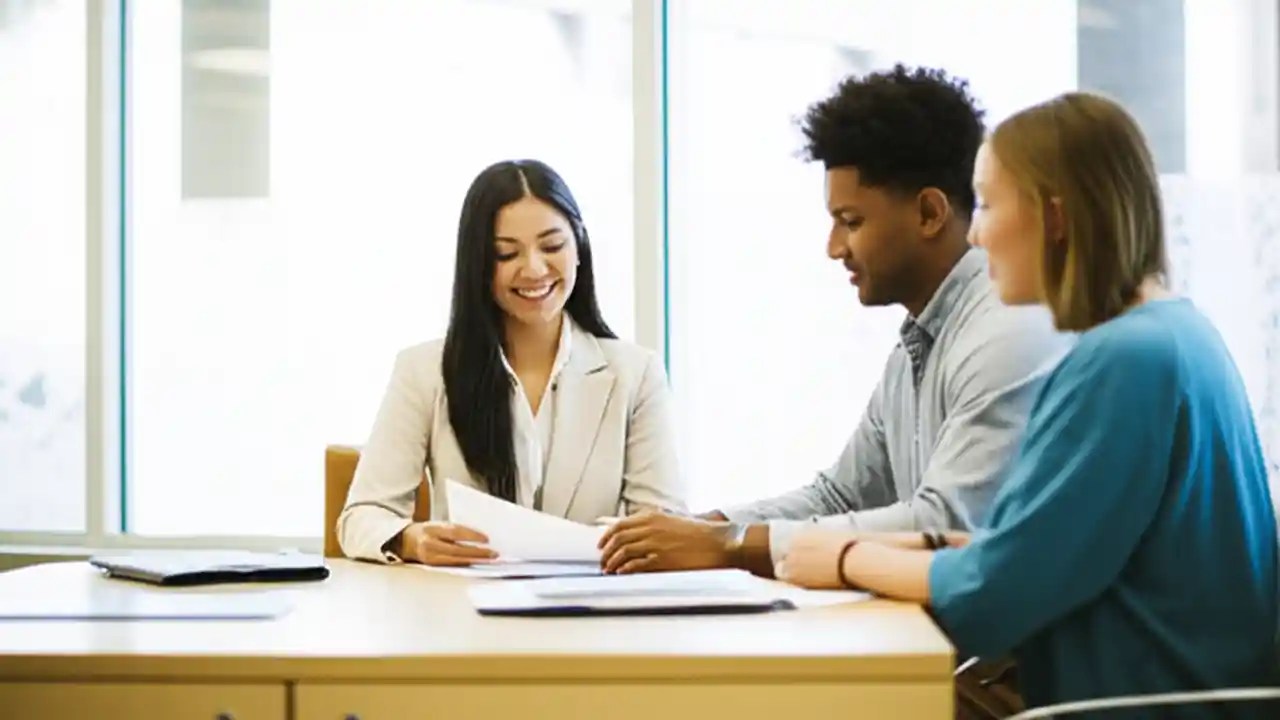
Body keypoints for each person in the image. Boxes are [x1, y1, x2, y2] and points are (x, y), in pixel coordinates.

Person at [776, 92, 1280, 716]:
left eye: (987, 203)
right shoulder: (1175, 333)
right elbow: (1023, 550)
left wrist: (848, 558)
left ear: (1056, 218)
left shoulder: (1121, 362)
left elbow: (991, 600)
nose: (979, 233)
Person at [598, 65, 1071, 577]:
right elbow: (841, 492)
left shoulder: (1004, 332)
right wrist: (701, 528)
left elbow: (946, 519)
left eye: (851, 222)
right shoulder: (920, 339)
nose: (834, 248)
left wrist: (730, 545)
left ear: (930, 214)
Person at [338, 159, 686, 565]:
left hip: (593, 615)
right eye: (506, 254)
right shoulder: (424, 370)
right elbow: (361, 518)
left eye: (552, 246)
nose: (534, 269)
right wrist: (412, 539)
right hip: (461, 614)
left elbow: (665, 526)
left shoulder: (636, 374)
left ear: (579, 248)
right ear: (478, 265)